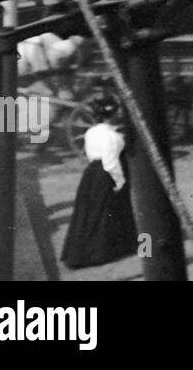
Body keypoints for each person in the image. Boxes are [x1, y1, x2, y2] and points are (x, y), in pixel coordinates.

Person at [61, 93, 138, 269]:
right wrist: (120, 181)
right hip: (106, 175)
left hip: (91, 174)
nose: (119, 115)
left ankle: (88, 250)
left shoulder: (91, 132)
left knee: (91, 212)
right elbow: (111, 162)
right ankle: (99, 251)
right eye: (117, 112)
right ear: (111, 115)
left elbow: (90, 154)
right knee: (107, 211)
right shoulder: (112, 136)